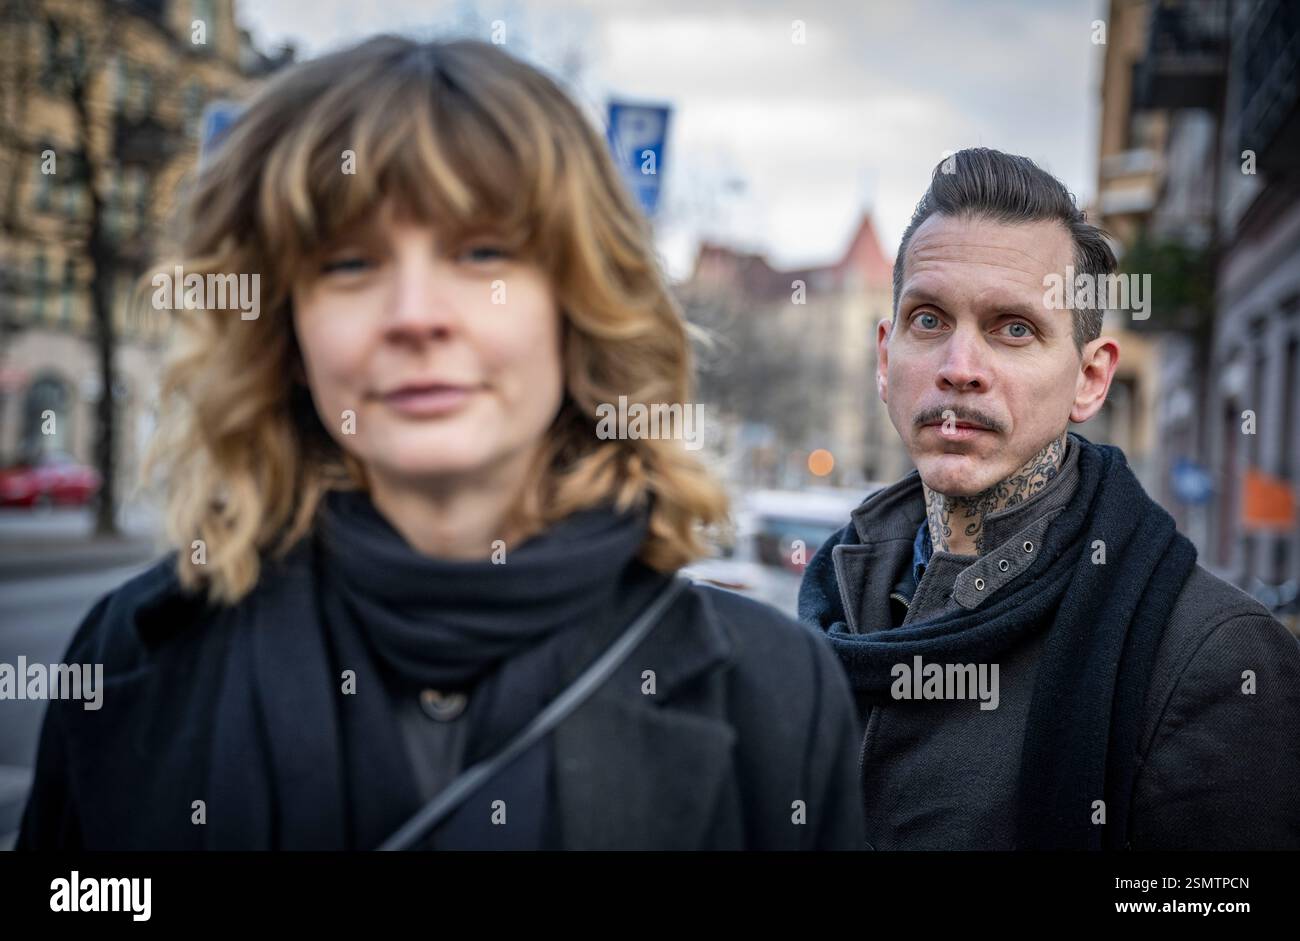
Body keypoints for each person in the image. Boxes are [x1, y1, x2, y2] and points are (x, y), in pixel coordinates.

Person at [17, 36, 864, 851]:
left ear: (579, 304)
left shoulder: (777, 691)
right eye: (349, 263)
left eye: (482, 252)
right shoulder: (133, 656)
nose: (415, 315)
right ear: (285, 327)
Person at [800, 147, 1300, 850]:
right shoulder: (833, 600)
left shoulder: (1212, 656)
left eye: (1015, 328)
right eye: (929, 320)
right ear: (886, 359)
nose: (959, 369)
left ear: (1090, 380)